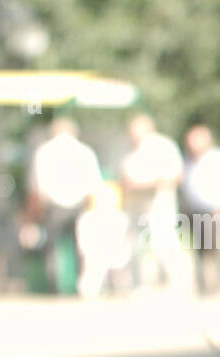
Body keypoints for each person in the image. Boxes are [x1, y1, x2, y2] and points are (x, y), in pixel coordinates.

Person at [26, 117, 102, 294]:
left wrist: (33, 213)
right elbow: (94, 185)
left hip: (52, 207)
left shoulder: (44, 151)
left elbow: (36, 187)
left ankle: (54, 287)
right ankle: (79, 286)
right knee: (81, 248)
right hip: (79, 206)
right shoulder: (85, 152)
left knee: (52, 248)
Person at [120, 113, 186, 291]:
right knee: (134, 245)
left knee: (164, 243)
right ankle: (138, 284)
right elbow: (124, 178)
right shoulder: (128, 150)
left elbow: (176, 175)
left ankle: (171, 281)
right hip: (135, 206)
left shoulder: (163, 146)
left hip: (159, 204)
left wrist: (148, 183)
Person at [179, 124, 220, 297]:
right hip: (194, 211)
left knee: (216, 248)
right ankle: (202, 286)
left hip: (215, 210)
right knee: (199, 250)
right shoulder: (187, 159)